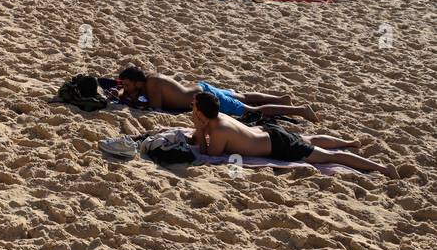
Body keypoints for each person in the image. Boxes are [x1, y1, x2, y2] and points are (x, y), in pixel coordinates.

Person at [191, 92, 396, 177]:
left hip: (279, 145)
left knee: (329, 157)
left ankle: (383, 168)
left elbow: (210, 154)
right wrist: (199, 130)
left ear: (200, 112)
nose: (191, 108)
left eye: (193, 106)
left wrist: (199, 131)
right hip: (268, 132)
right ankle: (349, 142)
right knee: (310, 139)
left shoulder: (218, 129)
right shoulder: (219, 118)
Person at [114, 66, 317, 121]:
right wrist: (124, 94)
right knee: (243, 96)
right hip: (202, 88)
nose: (125, 87)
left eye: (127, 84)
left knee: (250, 110)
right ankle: (281, 99)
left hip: (206, 97)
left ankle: (300, 110)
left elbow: (155, 109)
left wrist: (130, 103)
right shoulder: (149, 81)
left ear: (136, 81)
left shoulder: (153, 85)